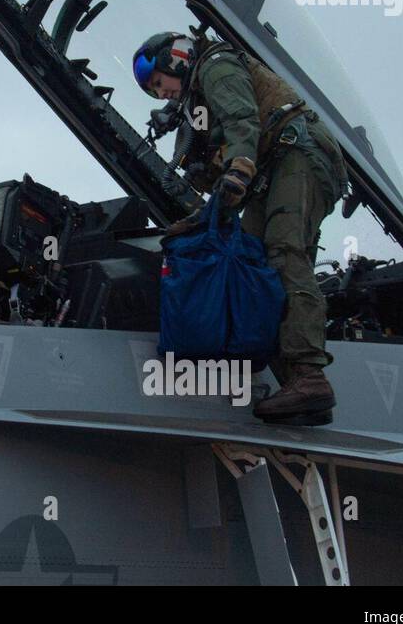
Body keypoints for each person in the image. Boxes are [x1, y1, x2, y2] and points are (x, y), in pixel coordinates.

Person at [133, 31, 348, 424]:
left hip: (300, 153)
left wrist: (240, 167)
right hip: (276, 166)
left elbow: (241, 117)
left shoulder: (215, 66)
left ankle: (308, 375)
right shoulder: (198, 100)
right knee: (253, 263)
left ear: (175, 59)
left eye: (160, 85)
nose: (162, 95)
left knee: (283, 253)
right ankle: (295, 383)